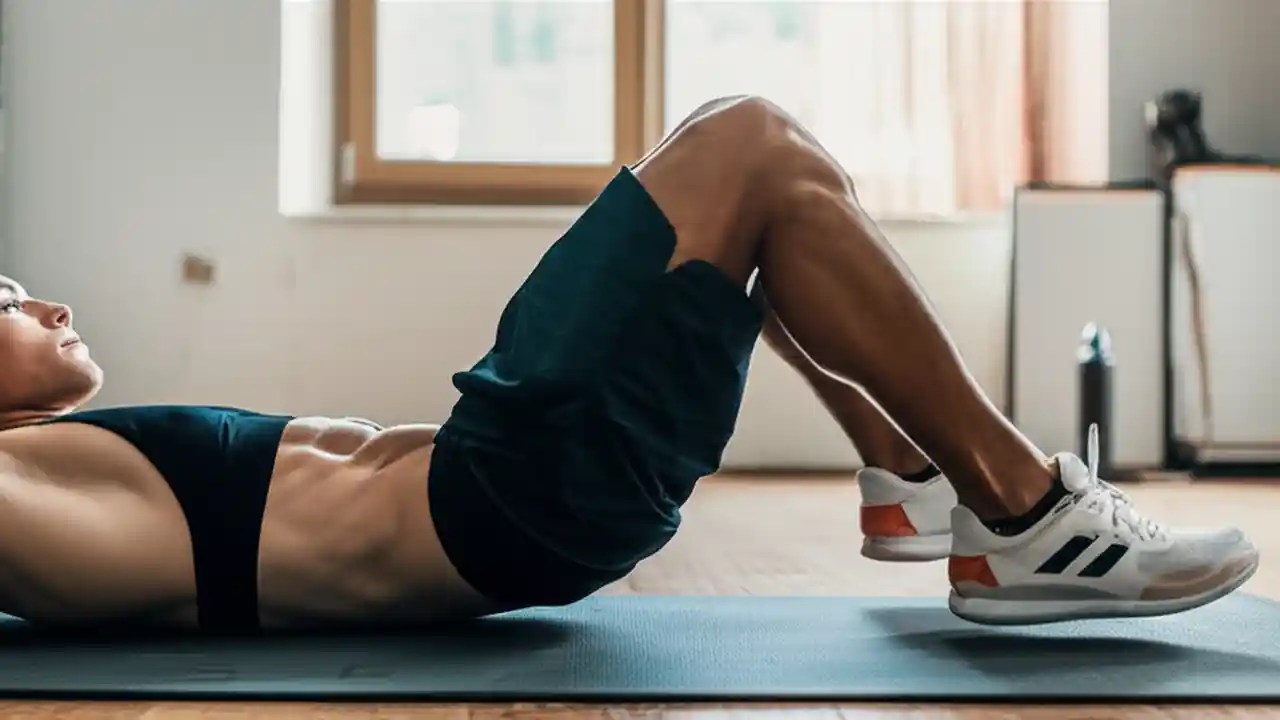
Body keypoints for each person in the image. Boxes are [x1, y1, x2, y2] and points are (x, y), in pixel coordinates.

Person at [0, 96, 1257, 634]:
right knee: (748, 144)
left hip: (506, 475)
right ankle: (1027, 515)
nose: (48, 302)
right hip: (514, 492)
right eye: (4, 303)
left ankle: (913, 483)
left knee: (753, 182)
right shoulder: (26, 502)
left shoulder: (57, 464)